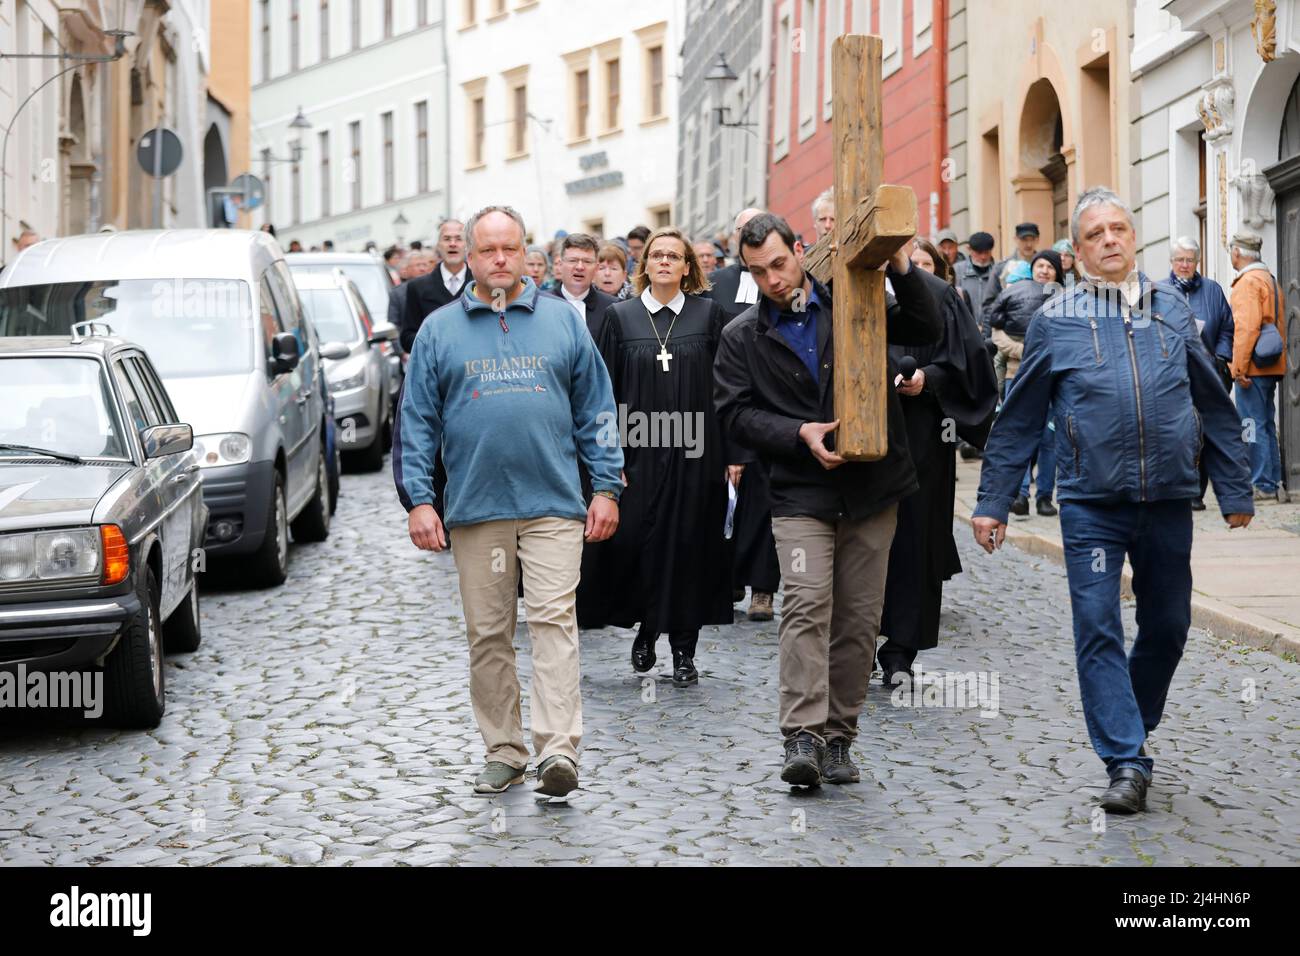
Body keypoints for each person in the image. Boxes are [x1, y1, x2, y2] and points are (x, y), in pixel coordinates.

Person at [973, 187, 1254, 815]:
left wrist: (1234, 487)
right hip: (1090, 502)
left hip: (1167, 499)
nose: (1109, 240)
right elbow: (1018, 419)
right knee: (1097, 625)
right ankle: (1126, 759)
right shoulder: (1056, 317)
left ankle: (1129, 715)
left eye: (1119, 229)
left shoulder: (1173, 310)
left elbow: (1212, 400)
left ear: (1134, 237)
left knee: (1170, 626)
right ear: (1077, 251)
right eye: (1095, 233)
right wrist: (994, 500)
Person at [394, 204, 623, 798]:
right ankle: (503, 749)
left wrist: (606, 486)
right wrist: (419, 500)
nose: (500, 259)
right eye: (488, 250)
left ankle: (557, 751)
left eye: (511, 249)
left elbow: (596, 407)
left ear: (526, 254)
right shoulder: (439, 330)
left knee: (553, 622)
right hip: (476, 508)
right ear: (468, 257)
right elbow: (415, 421)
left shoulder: (562, 323)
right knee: (490, 634)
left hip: (553, 504)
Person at [714, 213, 942, 787]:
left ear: (799, 250)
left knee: (860, 618)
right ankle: (803, 737)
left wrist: (897, 265)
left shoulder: (855, 302)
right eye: (758, 271)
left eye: (780, 263)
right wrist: (799, 434)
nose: (773, 279)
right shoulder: (743, 334)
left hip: (873, 487)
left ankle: (840, 738)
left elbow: (925, 323)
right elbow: (735, 414)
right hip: (799, 491)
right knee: (807, 605)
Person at [578, 227, 737, 688]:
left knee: (690, 548)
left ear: (688, 267)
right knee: (640, 546)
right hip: (639, 454)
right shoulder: (621, 318)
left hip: (696, 453)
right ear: (644, 265)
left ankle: (685, 650)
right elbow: (602, 394)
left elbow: (726, 388)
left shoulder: (710, 316)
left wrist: (731, 453)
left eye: (674, 256)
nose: (665, 261)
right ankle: (647, 627)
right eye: (657, 255)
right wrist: (608, 456)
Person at [876, 239, 997, 684]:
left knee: (915, 539)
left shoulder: (940, 298)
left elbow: (969, 365)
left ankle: (900, 648)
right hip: (860, 437)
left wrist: (927, 379)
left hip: (923, 436)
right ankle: (858, 635)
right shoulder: (850, 291)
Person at [1169, 236, 1235, 510]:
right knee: (1177, 432)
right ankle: (1177, 487)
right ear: (1172, 262)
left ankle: (1196, 491)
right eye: (1180, 260)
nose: (1185, 265)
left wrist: (1221, 357)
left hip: (1206, 372)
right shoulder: (1158, 291)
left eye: (1190, 260)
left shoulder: (1212, 290)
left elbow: (1227, 328)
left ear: (1198, 262)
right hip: (1171, 374)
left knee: (1203, 433)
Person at [1229, 232, 1288, 502]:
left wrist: (1238, 368)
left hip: (1252, 369)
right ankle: (1275, 482)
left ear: (1238, 253)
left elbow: (1246, 328)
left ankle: (1261, 483)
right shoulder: (1269, 279)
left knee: (1250, 424)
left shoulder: (1247, 282)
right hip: (1271, 365)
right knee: (1264, 424)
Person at [400, 219, 468, 353]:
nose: (452, 244)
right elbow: (407, 338)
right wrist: (436, 342)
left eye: (458, 239)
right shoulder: (417, 287)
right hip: (435, 370)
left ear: (468, 244)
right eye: (447, 239)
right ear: (438, 245)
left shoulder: (481, 284)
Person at [545, 233, 616, 338]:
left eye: (587, 261)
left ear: (596, 268)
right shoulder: (541, 304)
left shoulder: (612, 308)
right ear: (560, 265)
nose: (579, 267)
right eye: (573, 260)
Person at [709, 208, 765, 321]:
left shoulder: (781, 280)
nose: (752, 233)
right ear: (735, 237)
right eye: (745, 228)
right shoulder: (712, 281)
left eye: (759, 227)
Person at [989, 259, 1032, 399]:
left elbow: (994, 318)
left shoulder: (1007, 292)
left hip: (1015, 364)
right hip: (1018, 362)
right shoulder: (1035, 290)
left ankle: (998, 398)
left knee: (999, 360)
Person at [953, 231, 1001, 338]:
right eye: (979, 253)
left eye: (987, 252)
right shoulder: (958, 270)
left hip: (993, 332)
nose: (983, 257)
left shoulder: (999, 270)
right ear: (969, 249)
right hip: (965, 331)